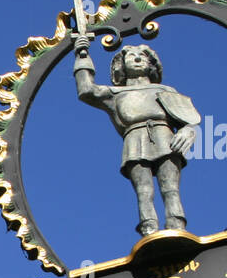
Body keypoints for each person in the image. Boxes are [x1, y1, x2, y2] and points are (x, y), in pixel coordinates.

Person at [73, 38, 201, 237]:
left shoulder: (164, 91)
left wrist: (187, 130)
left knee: (170, 188)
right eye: (131, 56)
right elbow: (87, 91)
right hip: (134, 140)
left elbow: (189, 119)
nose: (137, 59)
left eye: (142, 56)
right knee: (144, 190)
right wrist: (82, 56)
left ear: (151, 65)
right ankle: (149, 228)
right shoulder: (115, 94)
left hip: (165, 137)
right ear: (122, 65)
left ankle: (177, 225)